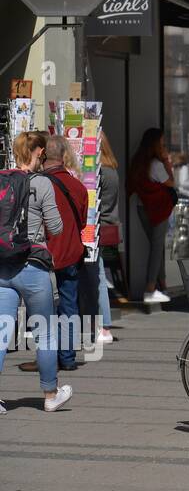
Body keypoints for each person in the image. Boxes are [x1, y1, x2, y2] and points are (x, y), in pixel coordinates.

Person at [0, 132, 73, 411]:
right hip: (33, 265)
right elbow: (55, 227)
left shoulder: (2, 178)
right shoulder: (41, 183)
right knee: (45, 332)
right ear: (39, 152)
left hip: (3, 266)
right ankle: (50, 395)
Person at [32, 135, 89, 374]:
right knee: (69, 305)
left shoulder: (35, 184)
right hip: (71, 254)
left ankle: (48, 357)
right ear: (64, 156)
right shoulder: (78, 186)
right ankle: (67, 357)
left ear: (43, 155)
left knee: (44, 309)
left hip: (44, 256)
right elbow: (83, 222)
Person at [127, 128, 176, 303]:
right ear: (156, 144)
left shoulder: (138, 162)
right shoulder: (156, 164)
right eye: (162, 143)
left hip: (142, 208)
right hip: (158, 209)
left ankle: (163, 283)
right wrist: (166, 162)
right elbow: (171, 182)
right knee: (156, 248)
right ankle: (150, 288)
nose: (163, 145)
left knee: (158, 246)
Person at [94, 131, 122, 343]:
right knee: (101, 275)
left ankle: (104, 327)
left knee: (99, 277)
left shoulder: (100, 172)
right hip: (109, 225)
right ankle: (102, 326)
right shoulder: (112, 169)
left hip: (99, 227)